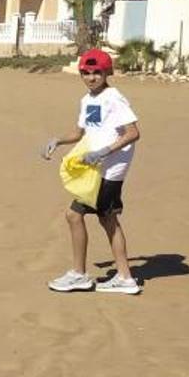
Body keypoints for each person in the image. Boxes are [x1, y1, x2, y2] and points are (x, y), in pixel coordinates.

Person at [42, 48, 142, 294]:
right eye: (86, 73)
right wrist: (58, 140)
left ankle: (84, 275)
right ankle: (122, 276)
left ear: (107, 72)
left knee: (77, 215)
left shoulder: (113, 98)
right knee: (105, 219)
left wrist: (104, 152)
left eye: (97, 72)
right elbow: (80, 133)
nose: (91, 77)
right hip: (97, 170)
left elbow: (133, 133)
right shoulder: (87, 100)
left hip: (110, 170)